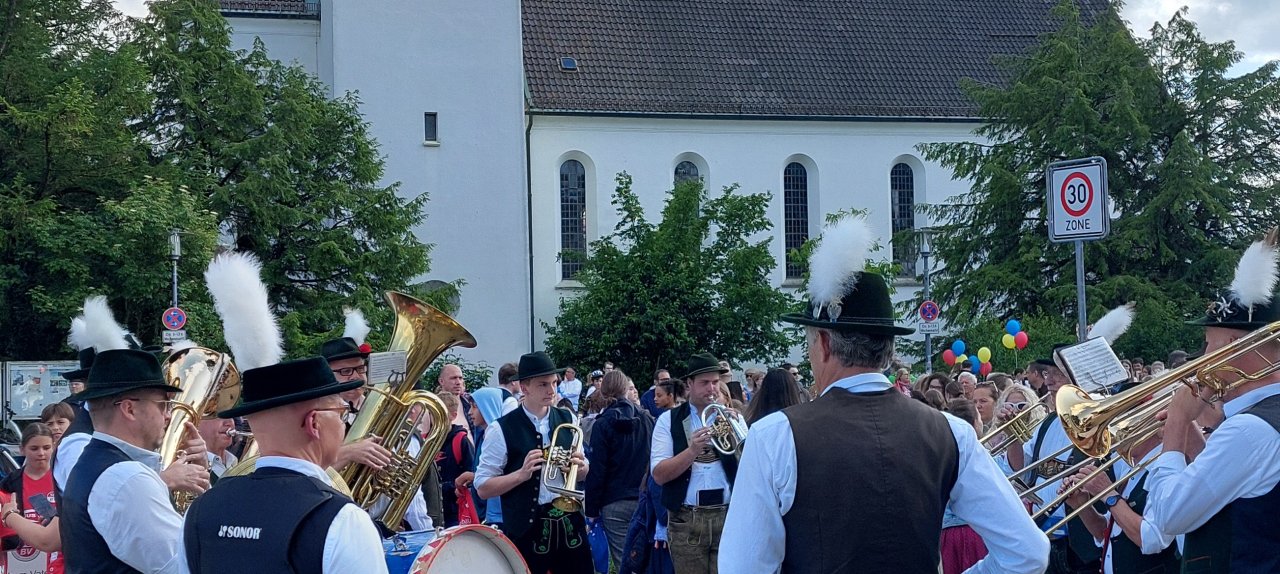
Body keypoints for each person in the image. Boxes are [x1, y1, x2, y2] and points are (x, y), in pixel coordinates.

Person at [720, 217, 1047, 574]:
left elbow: (743, 567)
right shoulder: (951, 433)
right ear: (888, 351)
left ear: (825, 344)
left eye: (810, 343)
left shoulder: (774, 436)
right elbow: (1027, 552)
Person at [1142, 230, 1280, 573]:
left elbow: (1168, 517)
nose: (1202, 358)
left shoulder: (1249, 430)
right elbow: (1241, 489)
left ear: (1235, 345)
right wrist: (1192, 439)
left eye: (1208, 344)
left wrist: (1175, 422)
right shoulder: (1258, 425)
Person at [179, 354, 387, 573]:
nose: (342, 425)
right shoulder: (343, 519)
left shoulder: (199, 510)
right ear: (314, 423)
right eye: (340, 413)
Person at [60, 348, 198, 574]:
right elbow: (180, 566)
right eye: (162, 405)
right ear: (129, 409)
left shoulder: (94, 464)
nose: (168, 415)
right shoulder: (127, 478)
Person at [475, 352, 593, 573]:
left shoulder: (568, 418)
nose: (551, 390)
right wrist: (520, 474)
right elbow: (482, 487)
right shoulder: (501, 428)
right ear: (524, 387)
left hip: (569, 524)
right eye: (543, 384)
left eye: (554, 383)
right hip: (527, 529)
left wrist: (580, 467)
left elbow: (584, 470)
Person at [1001, 345, 1100, 574]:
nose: (1050, 382)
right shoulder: (1048, 423)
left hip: (1081, 542)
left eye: (1058, 374)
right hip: (1045, 534)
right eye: (1047, 374)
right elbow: (1022, 470)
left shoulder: (1097, 422)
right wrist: (1012, 437)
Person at [1058, 386, 1178, 574]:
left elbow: (1152, 539)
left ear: (1153, 425)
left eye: (1125, 424)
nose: (1113, 433)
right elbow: (1106, 531)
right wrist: (1082, 505)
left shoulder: (1166, 470)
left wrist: (1108, 494)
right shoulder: (1131, 471)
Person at [651, 352, 736, 574]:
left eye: (716, 382)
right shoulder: (668, 420)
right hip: (687, 519)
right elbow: (659, 475)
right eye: (705, 383)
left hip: (728, 515)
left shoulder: (728, 417)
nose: (712, 388)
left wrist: (739, 433)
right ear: (689, 384)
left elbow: (749, 468)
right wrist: (692, 451)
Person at [585, 370, 654, 568]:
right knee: (647, 563)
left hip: (614, 501)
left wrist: (591, 510)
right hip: (643, 498)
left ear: (604, 391)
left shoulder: (602, 423)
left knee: (625, 563)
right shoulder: (648, 419)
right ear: (626, 389)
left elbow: (598, 470)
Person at [318, 333, 395, 474]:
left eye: (360, 369)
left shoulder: (383, 411)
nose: (355, 376)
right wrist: (350, 452)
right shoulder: (317, 415)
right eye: (345, 371)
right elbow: (310, 470)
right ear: (327, 375)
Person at [1, 424, 64, 574]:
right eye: (34, 448)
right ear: (22, 449)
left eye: (47, 447)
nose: (41, 453)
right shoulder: (10, 483)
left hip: (57, 559)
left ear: (54, 447)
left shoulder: (63, 479)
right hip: (19, 561)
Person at [939, 399, 990, 574]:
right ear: (975, 424)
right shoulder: (979, 453)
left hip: (946, 533)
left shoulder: (941, 453)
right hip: (973, 531)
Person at [469, 387, 510, 528]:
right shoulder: (481, 435)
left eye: (475, 407)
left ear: (487, 407)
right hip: (484, 510)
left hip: (499, 513)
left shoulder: (501, 437)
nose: (470, 412)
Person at [434, 391, 476, 527]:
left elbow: (471, 476)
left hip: (455, 510)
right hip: (433, 510)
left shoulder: (461, 441)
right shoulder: (427, 441)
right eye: (433, 414)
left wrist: (446, 487)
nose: (436, 420)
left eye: (441, 415)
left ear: (453, 416)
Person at [194, 417, 238, 484]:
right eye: (218, 416)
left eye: (231, 415)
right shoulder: (189, 467)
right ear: (196, 424)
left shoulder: (234, 460)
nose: (229, 423)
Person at [437, 364, 473, 430]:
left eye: (460, 378)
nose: (458, 382)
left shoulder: (469, 403)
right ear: (441, 381)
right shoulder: (434, 406)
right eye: (453, 378)